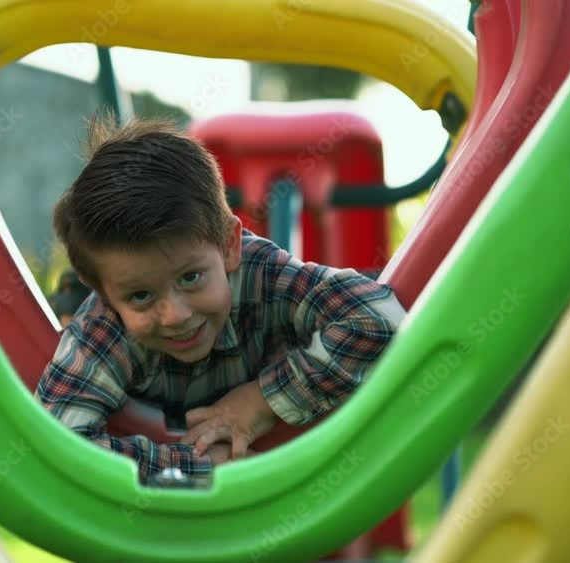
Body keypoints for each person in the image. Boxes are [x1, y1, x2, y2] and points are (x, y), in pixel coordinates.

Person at [34, 113, 406, 482]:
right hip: (155, 439)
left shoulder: (258, 272)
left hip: (269, 375)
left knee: (381, 286)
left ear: (229, 245)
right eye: (142, 296)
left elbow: (380, 316)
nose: (174, 315)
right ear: (104, 293)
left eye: (191, 277)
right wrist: (197, 467)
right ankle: (72, 295)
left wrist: (263, 401)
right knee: (76, 325)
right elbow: (58, 443)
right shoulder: (106, 324)